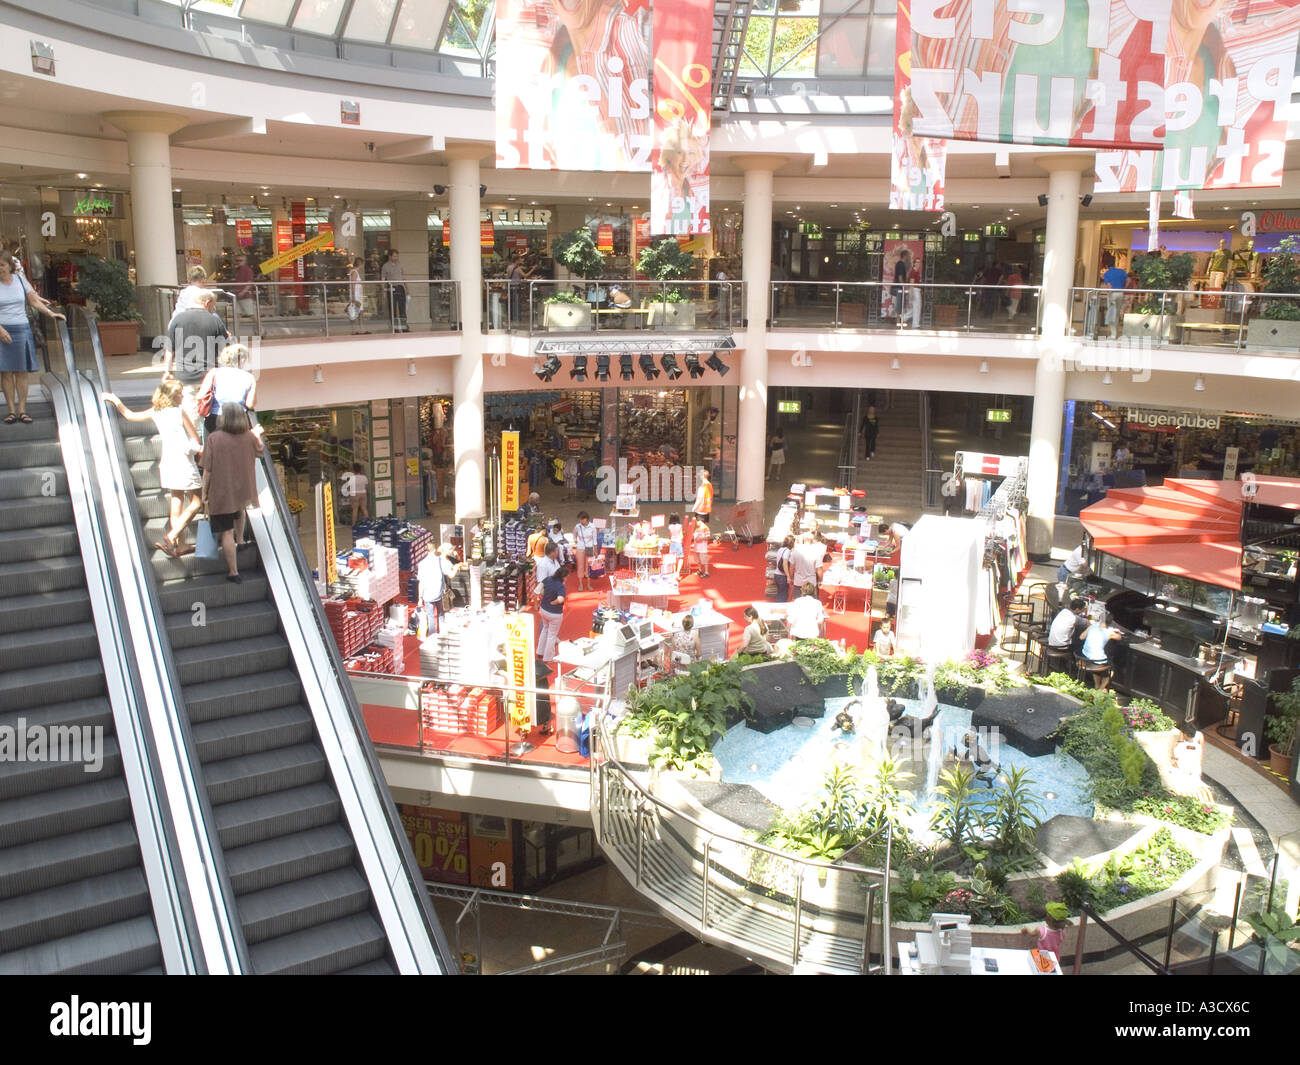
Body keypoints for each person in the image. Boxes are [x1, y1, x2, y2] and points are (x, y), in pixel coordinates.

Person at [103, 382, 203, 557]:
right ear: (172, 396)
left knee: (176, 500)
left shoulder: (155, 412)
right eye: (180, 394)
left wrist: (114, 399)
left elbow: (129, 415)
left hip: (168, 462)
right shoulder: (180, 412)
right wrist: (198, 448)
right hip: (184, 463)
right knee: (197, 502)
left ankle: (180, 546)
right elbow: (195, 439)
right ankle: (172, 536)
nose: (182, 397)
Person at [0, 251, 64, 424]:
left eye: (2, 265)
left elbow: (34, 301)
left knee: (21, 372)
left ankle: (22, 410)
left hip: (21, 329)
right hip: (2, 331)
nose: (0, 269)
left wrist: (52, 314)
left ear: (10, 266)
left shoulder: (20, 281)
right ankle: (11, 411)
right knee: (5, 373)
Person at [200, 403, 260, 583]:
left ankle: (233, 571)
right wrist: (256, 435)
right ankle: (241, 540)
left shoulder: (214, 438)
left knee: (226, 532)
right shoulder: (248, 437)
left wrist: (204, 492)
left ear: (224, 417)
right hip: (242, 488)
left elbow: (208, 469)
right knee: (239, 509)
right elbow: (260, 452)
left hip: (221, 490)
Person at [165, 290, 228, 425]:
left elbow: (170, 350)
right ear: (207, 302)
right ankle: (207, 442)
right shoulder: (215, 321)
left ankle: (194, 441)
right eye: (213, 305)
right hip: (208, 377)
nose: (214, 308)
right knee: (211, 414)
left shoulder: (177, 319)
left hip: (185, 376)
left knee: (190, 414)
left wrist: (167, 371)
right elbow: (224, 351)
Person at [197, 342, 258, 437]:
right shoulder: (249, 377)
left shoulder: (214, 373)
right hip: (239, 420)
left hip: (216, 419)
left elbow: (200, 395)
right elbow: (250, 404)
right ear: (241, 359)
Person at [537, 562, 570, 663]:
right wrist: (554, 602)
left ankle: (540, 651)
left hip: (543, 610)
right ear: (563, 577)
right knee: (552, 635)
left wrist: (545, 596)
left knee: (544, 630)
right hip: (554, 614)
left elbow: (537, 590)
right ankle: (548, 657)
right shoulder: (561, 586)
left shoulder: (547, 579)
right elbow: (560, 599)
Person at [1080, 614, 1121, 691]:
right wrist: (1117, 631)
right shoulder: (1109, 632)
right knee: (1110, 670)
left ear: (1099, 619)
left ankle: (1097, 686)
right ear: (1110, 622)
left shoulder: (1092, 626)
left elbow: (1081, 637)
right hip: (1096, 660)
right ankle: (1100, 689)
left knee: (1098, 667)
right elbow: (1119, 637)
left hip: (1084, 656)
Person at [416, 540, 446, 634]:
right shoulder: (440, 560)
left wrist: (420, 598)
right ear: (435, 549)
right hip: (439, 592)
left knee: (430, 616)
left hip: (428, 594)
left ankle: (432, 637)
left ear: (426, 550)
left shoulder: (422, 563)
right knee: (441, 614)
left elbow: (421, 582)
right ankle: (442, 633)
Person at [1101, 258, 1129, 338]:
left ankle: (1113, 334)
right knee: (1116, 313)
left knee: (1111, 313)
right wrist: (1124, 288)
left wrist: (1110, 296)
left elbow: (1109, 286)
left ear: (1107, 266)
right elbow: (1128, 280)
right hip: (1121, 293)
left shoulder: (1107, 273)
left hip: (1113, 294)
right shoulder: (1121, 271)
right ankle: (1115, 332)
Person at [381, 249, 407, 331]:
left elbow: (404, 277)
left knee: (402, 308)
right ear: (390, 256)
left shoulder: (400, 265)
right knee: (392, 309)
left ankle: (404, 327)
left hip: (400, 287)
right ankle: (395, 328)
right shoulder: (385, 266)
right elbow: (383, 279)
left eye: (397, 256)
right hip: (391, 288)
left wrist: (407, 289)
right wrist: (383, 290)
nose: (396, 258)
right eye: (394, 256)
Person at [572, 511, 598, 591]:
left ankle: (588, 584)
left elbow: (595, 539)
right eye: (579, 519)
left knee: (588, 566)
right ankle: (580, 584)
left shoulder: (592, 527)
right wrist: (575, 541)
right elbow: (574, 534)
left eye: (582, 519)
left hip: (589, 548)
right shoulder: (578, 526)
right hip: (580, 548)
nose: (580, 521)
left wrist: (595, 550)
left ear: (586, 519)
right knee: (580, 566)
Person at [234, 253, 256, 320]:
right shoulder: (238, 270)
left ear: (245, 261)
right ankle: (236, 330)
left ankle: (261, 329)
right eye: (237, 260)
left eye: (241, 260)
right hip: (239, 296)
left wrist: (243, 292)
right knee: (237, 314)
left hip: (245, 296)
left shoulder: (247, 270)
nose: (238, 262)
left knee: (251, 314)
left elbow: (249, 282)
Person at [773, 534, 795, 603]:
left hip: (776, 574)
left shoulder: (780, 549)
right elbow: (785, 564)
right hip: (782, 576)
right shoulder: (787, 551)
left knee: (780, 594)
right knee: (782, 596)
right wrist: (788, 576)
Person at [346, 257, 364, 329]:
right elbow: (352, 284)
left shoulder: (353, 272)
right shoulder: (354, 272)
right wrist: (353, 296)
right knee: (356, 311)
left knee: (357, 311)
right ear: (360, 264)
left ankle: (358, 328)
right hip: (356, 294)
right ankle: (359, 328)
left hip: (357, 294)